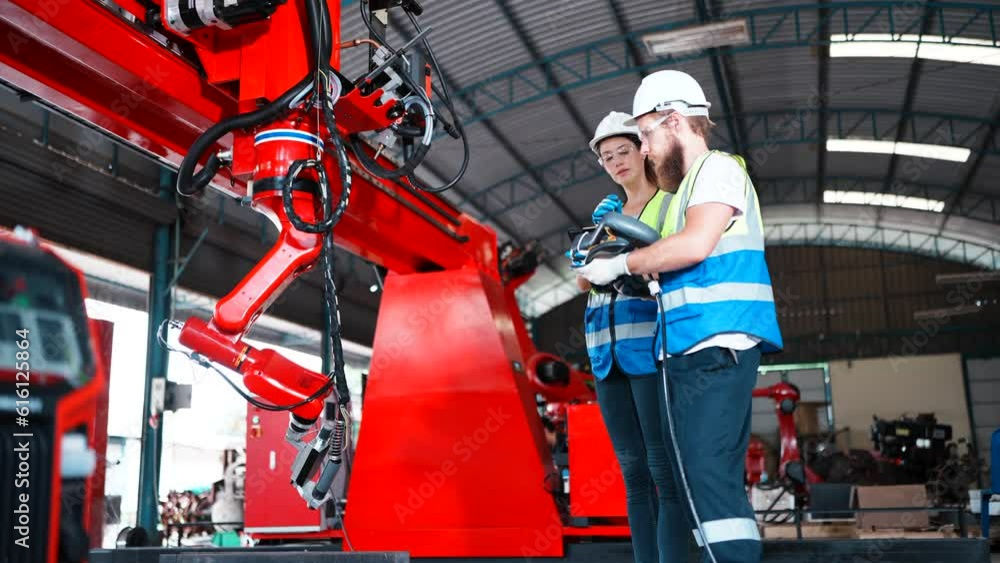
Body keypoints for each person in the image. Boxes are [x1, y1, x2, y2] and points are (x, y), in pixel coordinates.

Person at [573, 71, 784, 563]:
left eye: (640, 137)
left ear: (672, 120)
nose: (637, 151)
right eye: (610, 154)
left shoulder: (710, 174)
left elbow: (689, 247)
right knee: (689, 474)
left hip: (711, 342)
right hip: (678, 347)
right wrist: (613, 253)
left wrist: (621, 261)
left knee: (696, 475)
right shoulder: (674, 195)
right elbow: (598, 271)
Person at [572, 111, 688, 563]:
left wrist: (625, 245)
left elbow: (672, 258)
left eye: (623, 151)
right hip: (605, 354)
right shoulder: (605, 216)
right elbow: (583, 282)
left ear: (642, 150)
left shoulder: (668, 203)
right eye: (607, 157)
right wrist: (597, 238)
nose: (616, 162)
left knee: (663, 467)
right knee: (633, 471)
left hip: (650, 349)